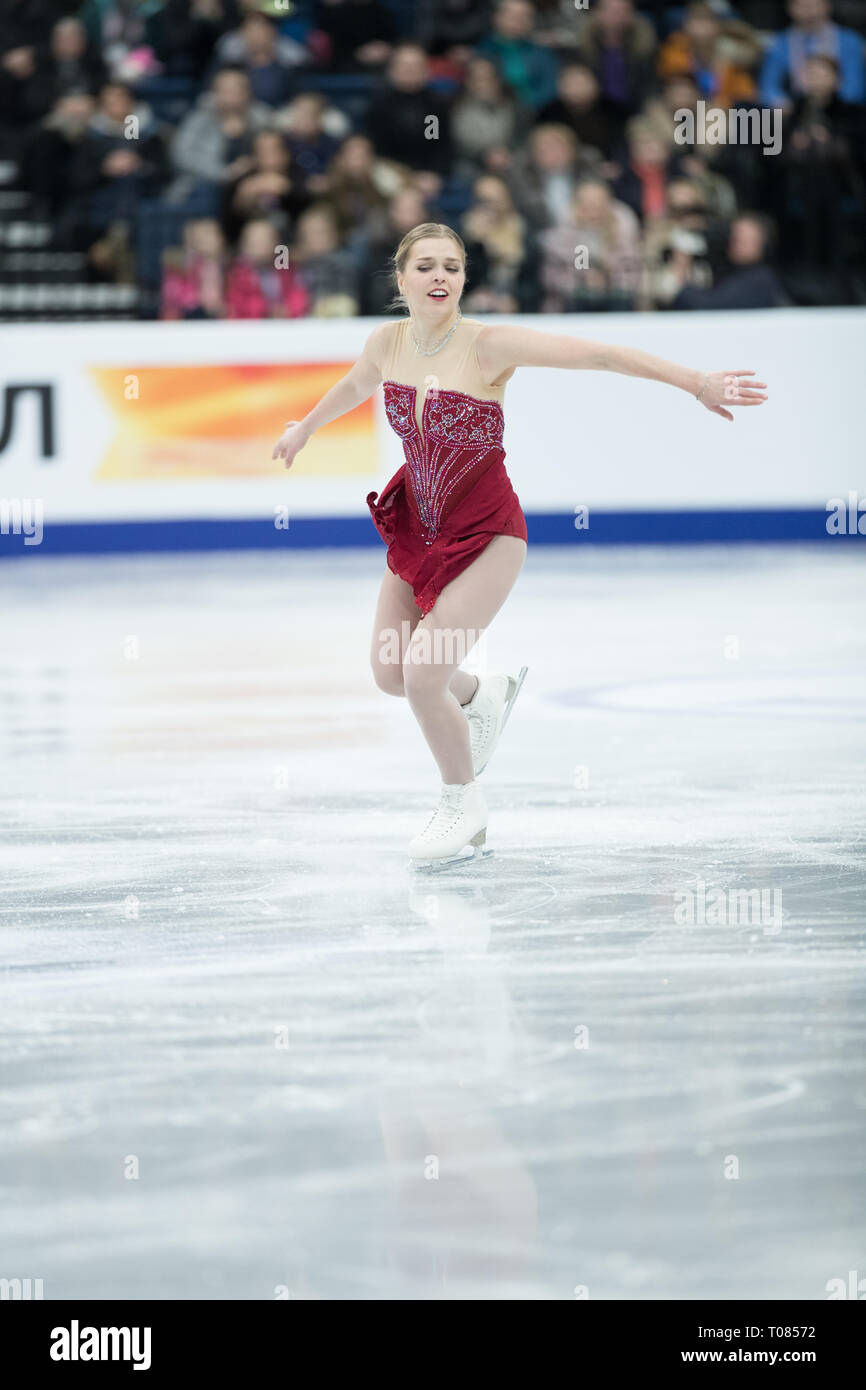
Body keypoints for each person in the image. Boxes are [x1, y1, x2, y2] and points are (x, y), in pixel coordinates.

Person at [272, 222, 769, 866]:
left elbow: (599, 355)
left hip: (486, 537)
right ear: (401, 280)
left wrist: (694, 381)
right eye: (425, 267)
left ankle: (463, 805)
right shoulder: (386, 342)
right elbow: (357, 384)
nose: (440, 278)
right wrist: (305, 427)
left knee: (423, 677)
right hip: (419, 527)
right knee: (391, 673)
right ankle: (483, 694)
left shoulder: (488, 345)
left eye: (452, 266)